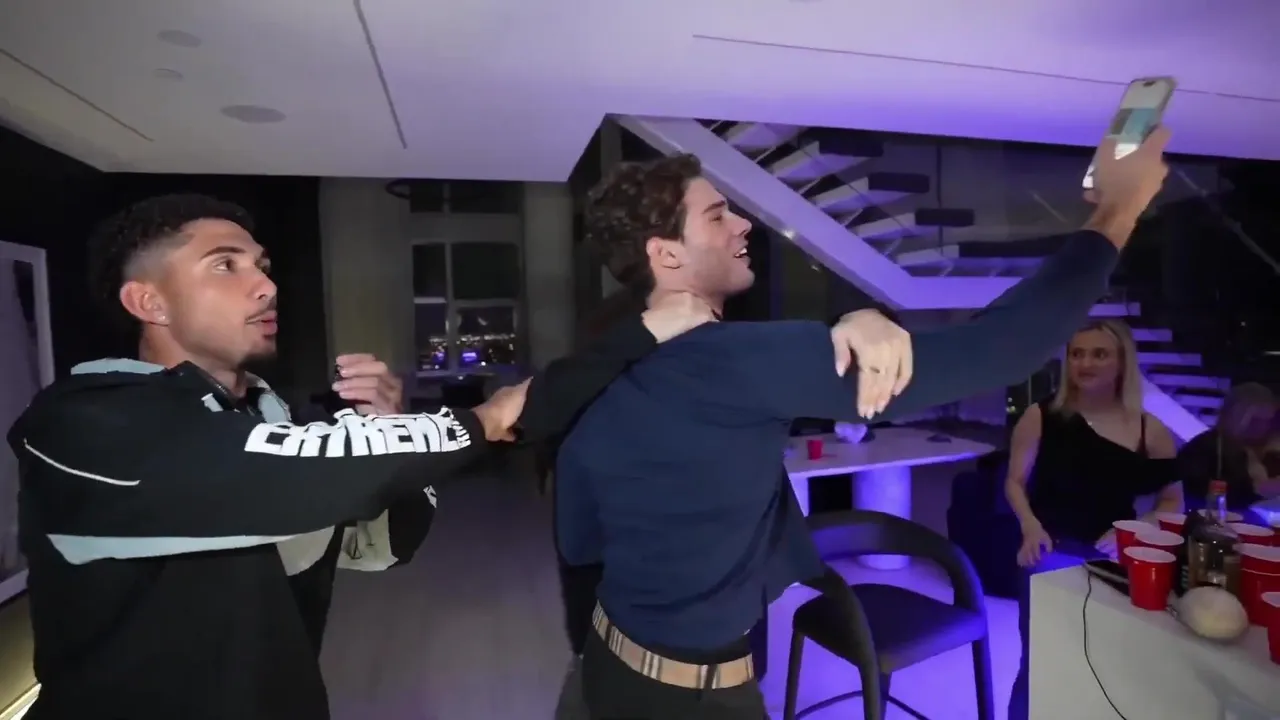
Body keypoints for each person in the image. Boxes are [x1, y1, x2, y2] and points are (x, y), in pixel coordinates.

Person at [7, 194, 717, 720]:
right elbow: (270, 473)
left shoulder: (278, 419)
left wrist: (388, 427)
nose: (266, 285)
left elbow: (379, 547)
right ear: (148, 301)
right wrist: (479, 419)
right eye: (224, 266)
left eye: (262, 265)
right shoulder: (82, 423)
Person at [556, 126, 1173, 719]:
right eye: (718, 216)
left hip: (604, 662)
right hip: (690, 698)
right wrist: (1118, 210)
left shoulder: (601, 364)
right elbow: (1002, 348)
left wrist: (858, 321)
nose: (743, 223)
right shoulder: (729, 359)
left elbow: (579, 538)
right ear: (666, 254)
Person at [1002, 319, 1180, 720]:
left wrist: (1137, 530)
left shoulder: (1149, 429)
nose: (1085, 363)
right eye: (1077, 354)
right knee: (1040, 660)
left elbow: (1172, 500)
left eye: (1099, 354)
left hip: (1115, 560)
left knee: (1105, 666)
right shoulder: (1041, 416)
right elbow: (1014, 482)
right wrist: (1029, 523)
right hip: (1051, 550)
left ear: (1122, 363)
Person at [1177, 382, 1280, 510]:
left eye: (1267, 421)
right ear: (1235, 417)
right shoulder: (1203, 449)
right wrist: (1257, 491)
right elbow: (1196, 494)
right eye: (1256, 421)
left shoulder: (1259, 449)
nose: (1263, 427)